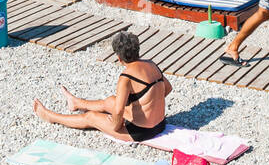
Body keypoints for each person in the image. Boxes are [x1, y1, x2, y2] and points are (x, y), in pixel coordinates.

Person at [33, 31, 171, 142]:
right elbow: (168, 88)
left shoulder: (127, 77)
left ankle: (51, 116)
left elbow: (118, 111)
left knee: (91, 117)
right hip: (160, 124)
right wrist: (149, 104)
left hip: (141, 132)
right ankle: (76, 103)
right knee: (111, 100)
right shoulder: (152, 64)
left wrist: (115, 126)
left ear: (119, 57)